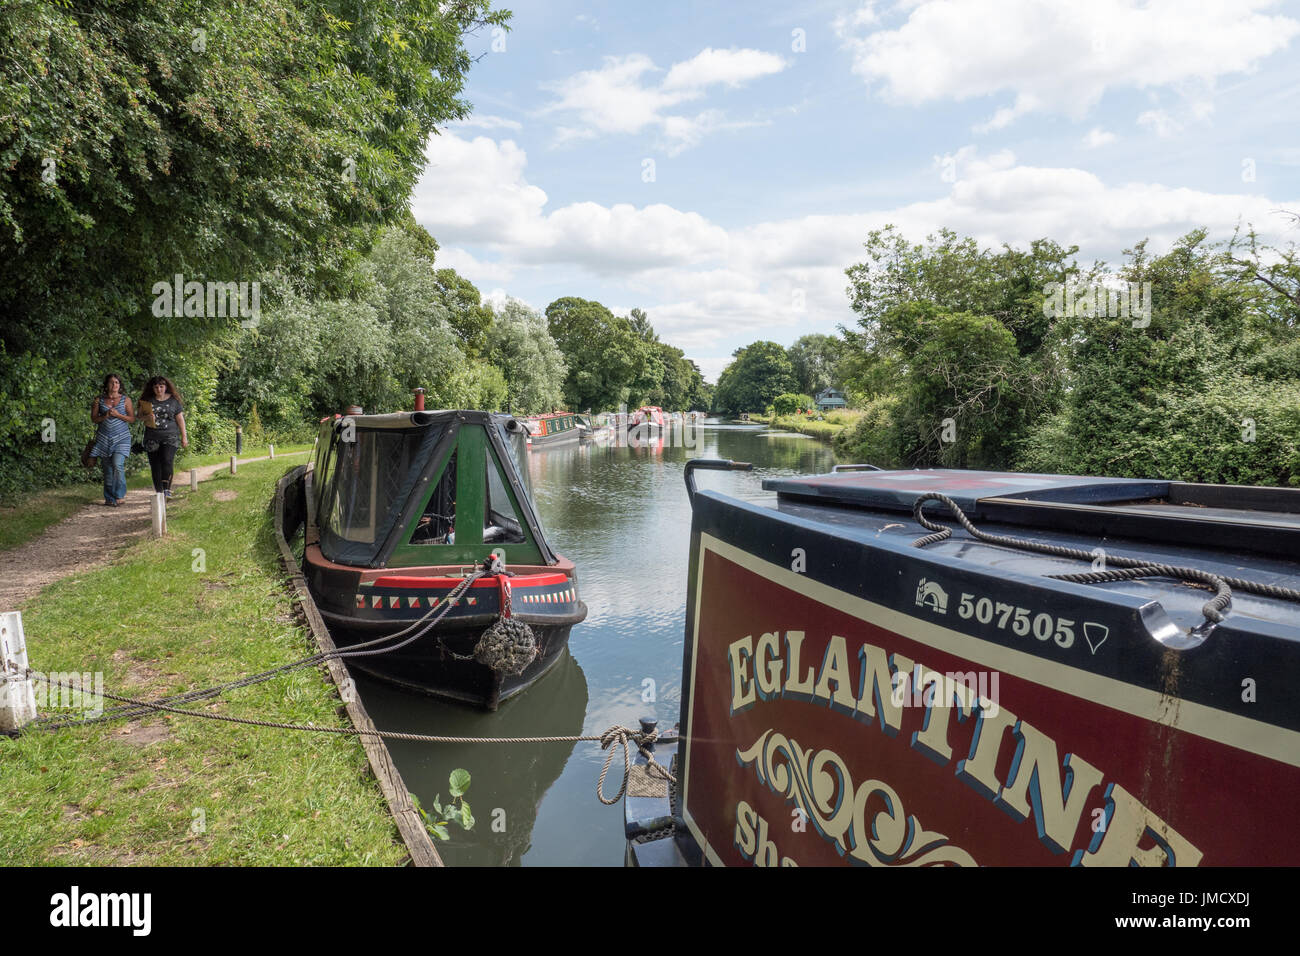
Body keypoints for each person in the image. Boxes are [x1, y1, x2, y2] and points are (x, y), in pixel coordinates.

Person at [89, 373, 134, 506]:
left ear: (120, 385)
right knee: (107, 468)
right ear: (107, 385)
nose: (114, 385)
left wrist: (118, 415)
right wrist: (105, 416)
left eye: (117, 383)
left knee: (117, 464)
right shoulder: (98, 400)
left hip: (122, 438)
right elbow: (94, 419)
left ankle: (119, 495)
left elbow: (132, 419)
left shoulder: (126, 400)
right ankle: (109, 498)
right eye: (111, 382)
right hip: (104, 438)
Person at [138, 376, 188, 497]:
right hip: (152, 437)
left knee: (167, 460)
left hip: (170, 436)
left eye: (161, 386)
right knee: (155, 465)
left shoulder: (173, 401)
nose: (159, 389)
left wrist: (184, 436)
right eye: (156, 387)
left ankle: (166, 490)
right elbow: (139, 417)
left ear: (166, 387)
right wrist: (147, 417)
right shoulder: (147, 401)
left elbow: (180, 419)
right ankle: (159, 492)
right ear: (152, 388)